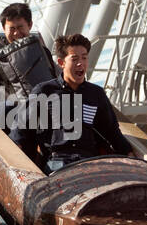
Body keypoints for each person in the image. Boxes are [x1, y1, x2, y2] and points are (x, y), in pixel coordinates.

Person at [17, 33, 134, 172]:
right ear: (62, 63)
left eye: (84, 58)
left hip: (90, 162)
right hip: (57, 162)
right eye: (75, 59)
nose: (81, 63)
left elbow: (112, 132)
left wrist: (130, 155)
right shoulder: (44, 91)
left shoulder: (96, 94)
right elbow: (21, 131)